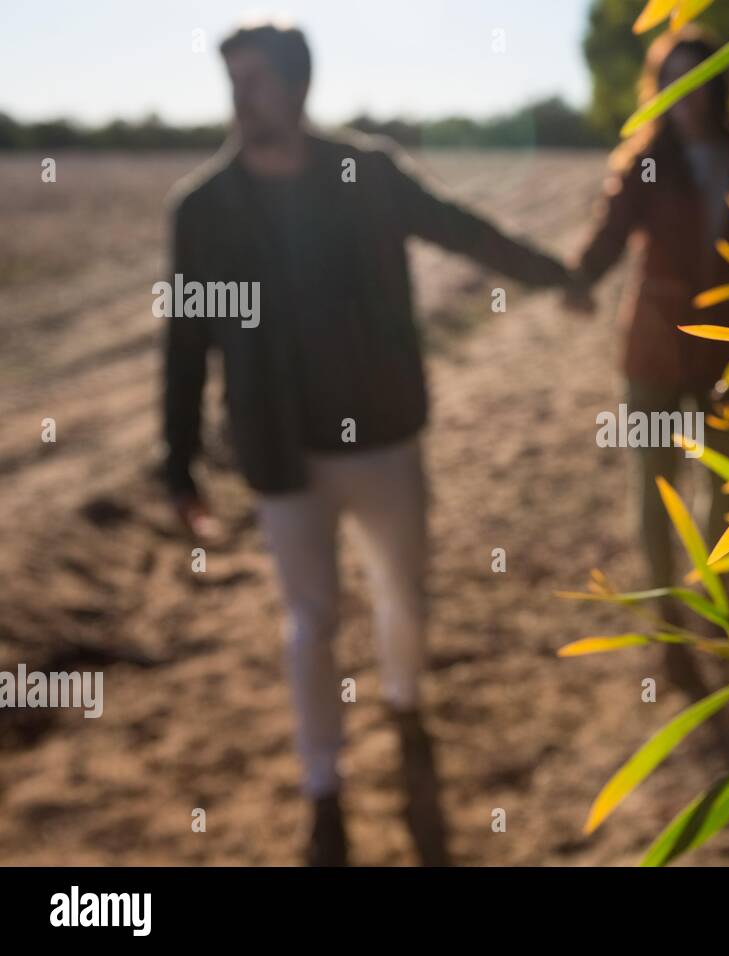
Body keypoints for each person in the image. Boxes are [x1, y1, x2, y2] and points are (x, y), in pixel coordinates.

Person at [161, 21, 574, 866]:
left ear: (299, 86)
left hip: (383, 435)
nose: (243, 99)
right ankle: (324, 784)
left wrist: (556, 272)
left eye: (258, 81)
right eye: (233, 81)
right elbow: (186, 340)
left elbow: (459, 227)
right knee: (310, 620)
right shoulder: (203, 210)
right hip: (279, 456)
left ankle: (405, 699)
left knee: (405, 591)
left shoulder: (368, 174)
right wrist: (178, 461)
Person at [566, 27, 729, 659]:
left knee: (724, 488)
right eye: (674, 83)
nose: (687, 98)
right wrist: (576, 278)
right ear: (660, 90)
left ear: (717, 87)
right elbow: (610, 231)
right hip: (654, 350)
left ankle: (717, 604)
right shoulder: (646, 160)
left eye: (698, 82)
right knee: (655, 489)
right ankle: (668, 627)